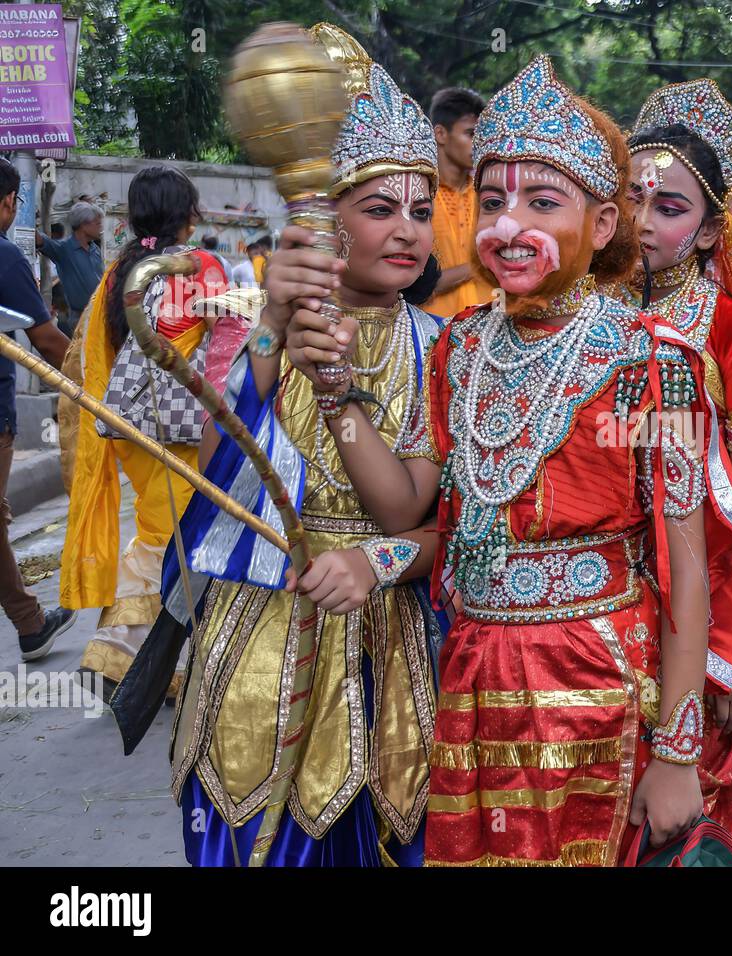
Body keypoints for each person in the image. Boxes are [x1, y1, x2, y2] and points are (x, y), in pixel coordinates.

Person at [296, 54, 732, 866]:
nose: (509, 227)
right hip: (472, 681)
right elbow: (419, 514)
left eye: (544, 202)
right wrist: (338, 399)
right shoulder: (461, 351)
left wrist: (679, 756)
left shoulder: (655, 363)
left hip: (599, 684)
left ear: (603, 225)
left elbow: (687, 573)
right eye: (494, 201)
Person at [162, 24, 444, 867]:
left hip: (383, 644)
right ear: (328, 221)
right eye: (378, 208)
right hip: (262, 620)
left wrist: (375, 561)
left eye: (422, 211)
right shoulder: (262, 324)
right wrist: (267, 334)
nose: (406, 232)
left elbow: (416, 509)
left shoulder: (443, 346)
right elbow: (213, 471)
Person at [617, 78, 732, 857]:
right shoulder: (588, 310)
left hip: (702, 602)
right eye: (630, 199)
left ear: (716, 232)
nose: (643, 223)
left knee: (684, 813)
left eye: (671, 208)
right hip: (604, 599)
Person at [60, 166, 226, 694]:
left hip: (132, 429)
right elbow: (227, 345)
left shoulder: (118, 273)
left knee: (158, 533)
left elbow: (95, 358)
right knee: (178, 539)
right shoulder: (200, 267)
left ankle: (122, 654)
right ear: (186, 214)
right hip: (188, 426)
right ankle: (137, 660)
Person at [0, 157, 74, 661]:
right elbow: (46, 338)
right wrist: (94, 377)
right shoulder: (5, 257)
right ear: (7, 203)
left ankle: (30, 624)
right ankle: (29, 624)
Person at [420, 87, 496, 318]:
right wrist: (480, 264)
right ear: (441, 134)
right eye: (471, 134)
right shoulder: (420, 198)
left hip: (490, 329)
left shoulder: (490, 196)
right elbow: (421, 285)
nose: (479, 143)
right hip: (433, 333)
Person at [37, 201, 104, 335]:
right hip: (80, 320)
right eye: (97, 223)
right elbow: (41, 241)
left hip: (99, 316)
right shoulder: (64, 249)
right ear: (84, 224)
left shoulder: (95, 250)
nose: (100, 227)